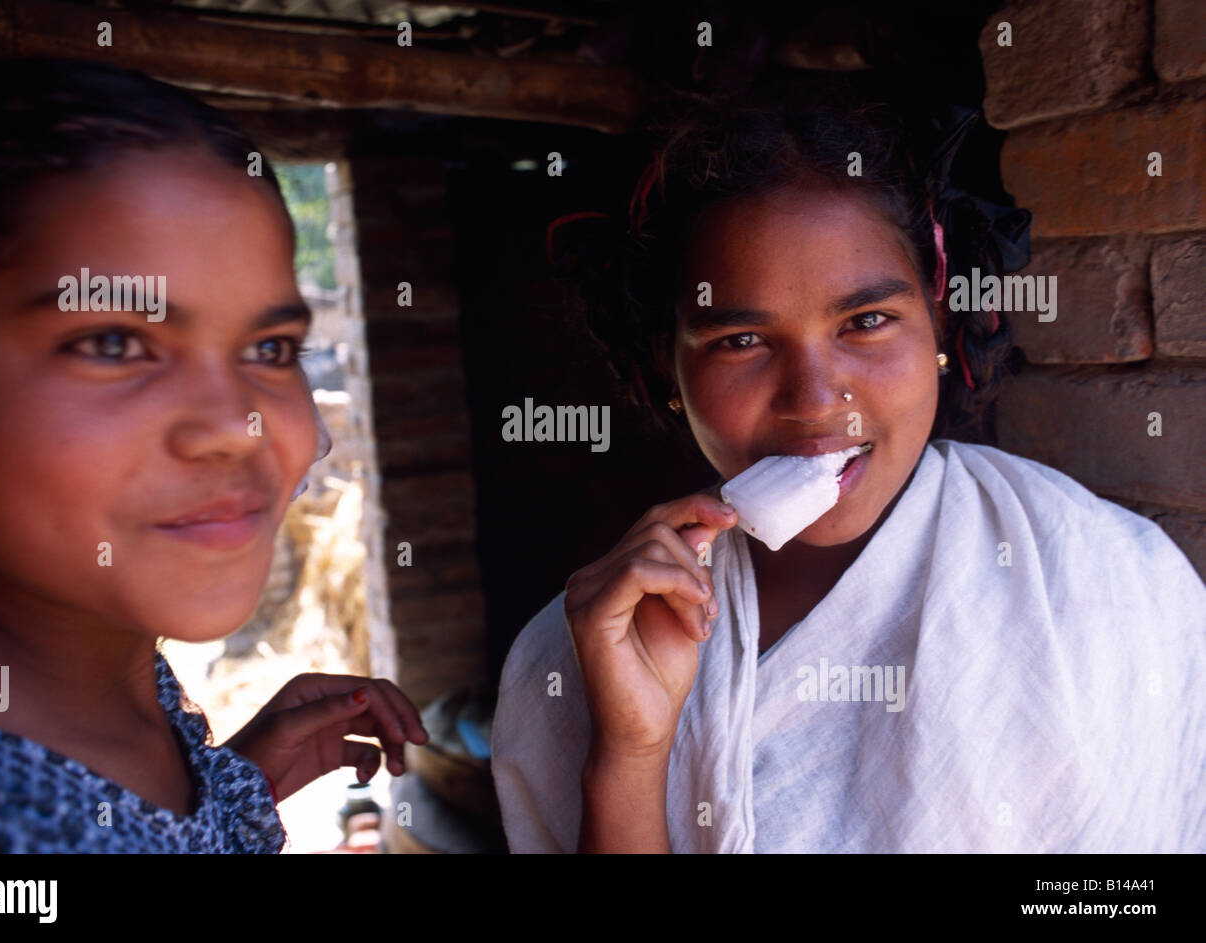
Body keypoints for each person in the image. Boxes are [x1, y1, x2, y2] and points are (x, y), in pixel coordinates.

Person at [491, 93, 1206, 853]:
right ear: (666, 368)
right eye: (740, 339)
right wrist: (630, 757)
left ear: (939, 322)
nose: (814, 397)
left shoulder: (1106, 587)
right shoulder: (568, 663)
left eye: (866, 322)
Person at [0, 49, 427, 852]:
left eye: (271, 348)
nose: (232, 422)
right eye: (113, 342)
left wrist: (228, 792)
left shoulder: (114, 680)